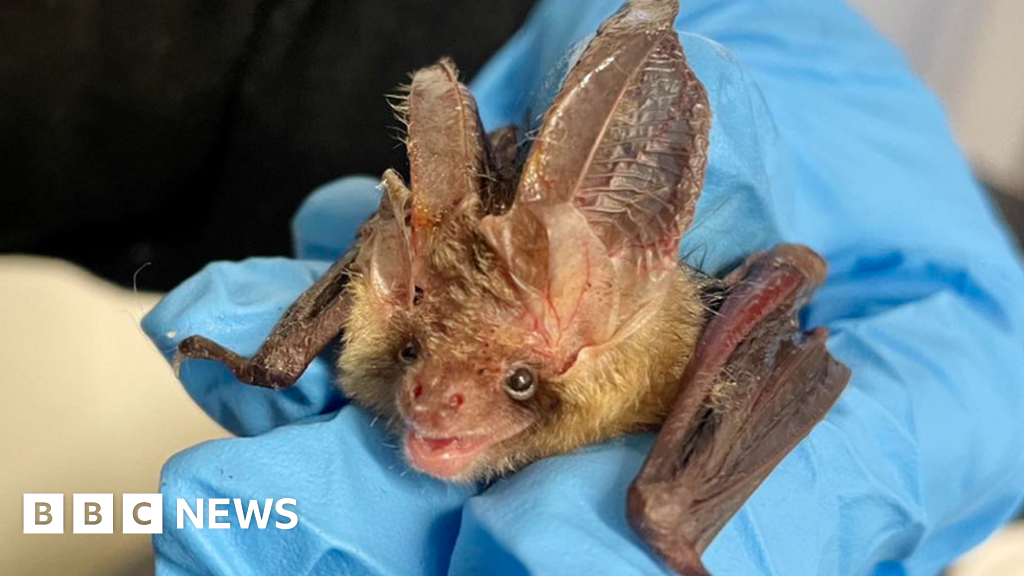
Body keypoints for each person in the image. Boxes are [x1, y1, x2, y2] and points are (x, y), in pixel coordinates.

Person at [142, 0, 1024, 573]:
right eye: (414, 353)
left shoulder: (655, 369)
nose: (432, 400)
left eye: (516, 381)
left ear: (586, 362)